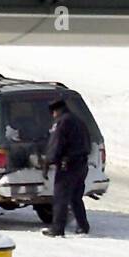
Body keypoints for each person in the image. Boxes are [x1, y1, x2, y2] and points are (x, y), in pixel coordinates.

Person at [42, 97, 91, 237]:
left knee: (60, 197)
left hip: (67, 165)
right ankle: (83, 225)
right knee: (76, 196)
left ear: (55, 111)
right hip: (81, 163)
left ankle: (57, 229)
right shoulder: (78, 120)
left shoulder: (62, 122)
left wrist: (48, 161)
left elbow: (55, 144)